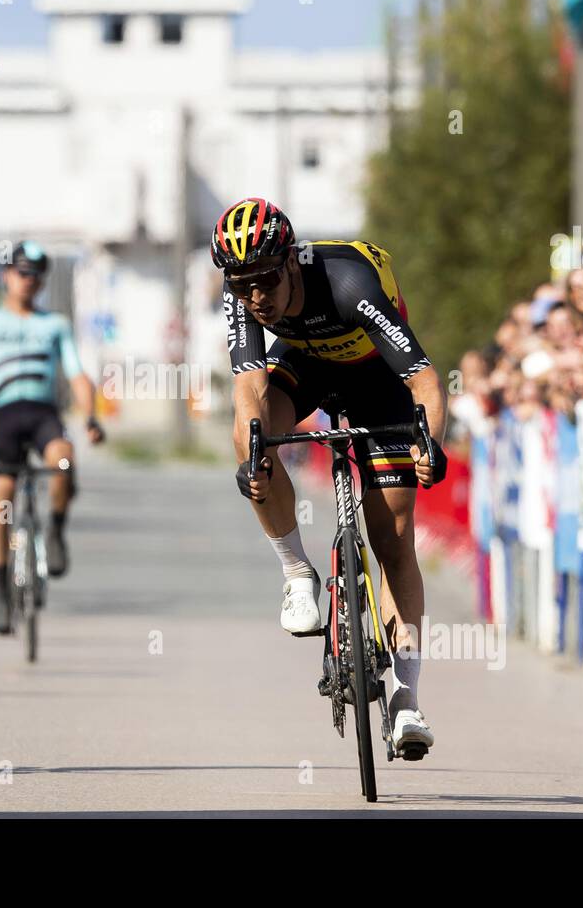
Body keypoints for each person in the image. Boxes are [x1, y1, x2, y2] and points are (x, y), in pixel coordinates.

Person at [211, 197, 448, 757]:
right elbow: (250, 387)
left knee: (392, 536)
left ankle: (406, 698)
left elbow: (424, 379)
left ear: (291, 261)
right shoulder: (243, 291)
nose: (255, 298)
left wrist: (431, 442)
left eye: (266, 280)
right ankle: (296, 572)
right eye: (242, 285)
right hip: (308, 363)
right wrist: (254, 455)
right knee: (247, 436)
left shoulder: (349, 283)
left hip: (376, 376)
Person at [0, 242, 104, 634]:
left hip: (43, 417)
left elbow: (77, 375)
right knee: (1, 498)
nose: (29, 281)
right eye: (22, 273)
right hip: (2, 420)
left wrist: (90, 416)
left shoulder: (54, 325)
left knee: (64, 460)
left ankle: (55, 529)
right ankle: (2, 593)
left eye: (36, 275)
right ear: (6, 275)